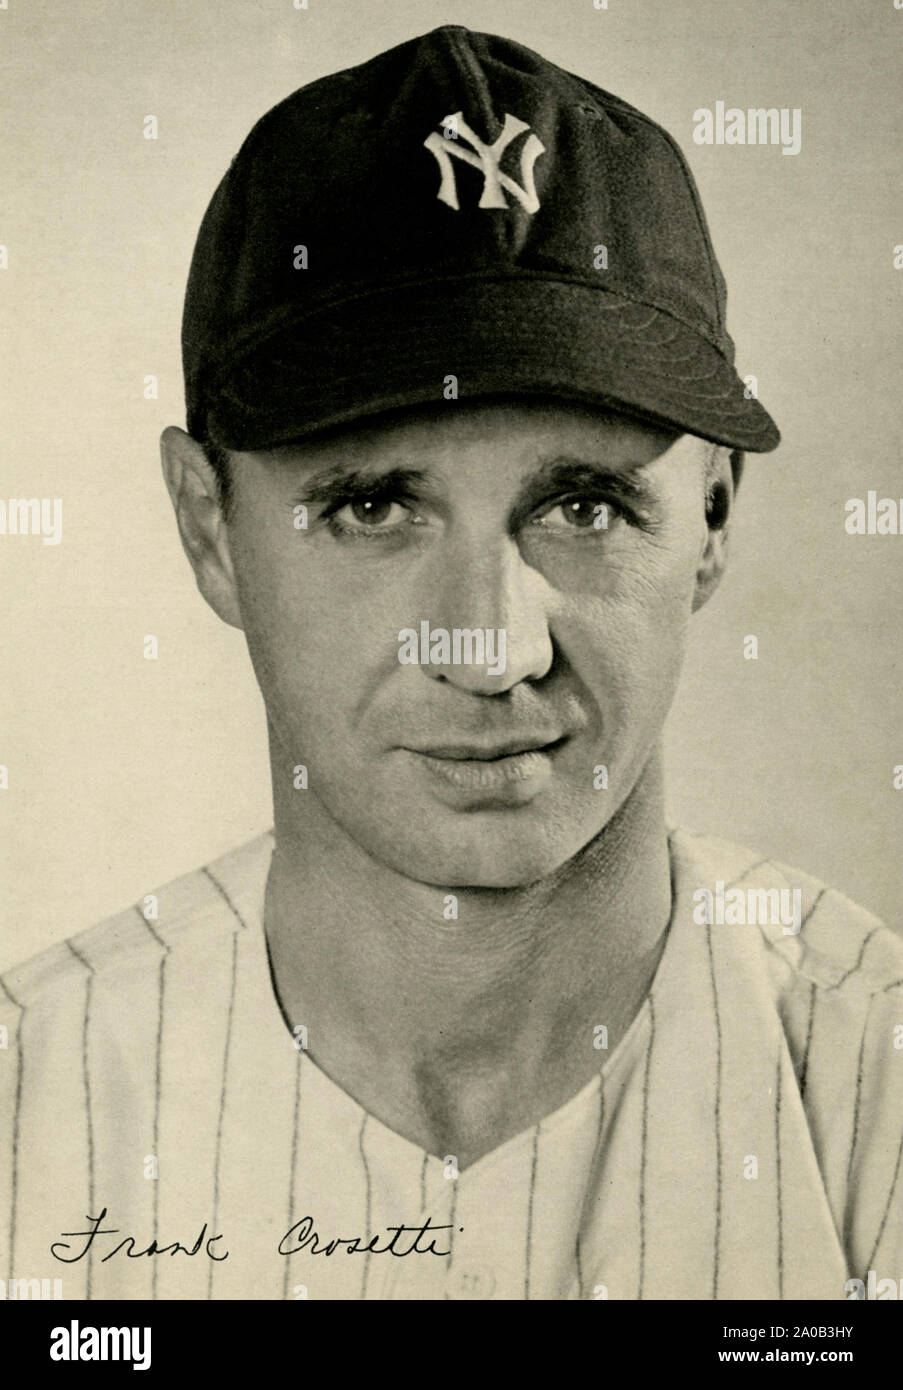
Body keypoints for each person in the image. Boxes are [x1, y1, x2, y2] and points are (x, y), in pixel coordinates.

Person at [1, 24, 900, 1302]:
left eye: (583, 506)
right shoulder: (25, 1114)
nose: (492, 647)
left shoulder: (873, 1098)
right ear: (211, 529)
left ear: (712, 519)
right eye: (374, 507)